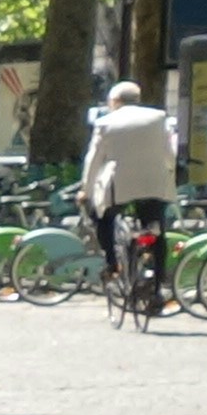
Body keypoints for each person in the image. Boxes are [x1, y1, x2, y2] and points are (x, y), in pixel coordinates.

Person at [78, 79, 181, 312]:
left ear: (115, 101)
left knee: (103, 217)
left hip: (120, 186)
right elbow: (169, 154)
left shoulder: (105, 123)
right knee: (156, 229)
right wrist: (170, 174)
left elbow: (93, 160)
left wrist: (86, 190)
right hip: (154, 183)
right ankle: (157, 285)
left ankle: (112, 264)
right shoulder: (158, 118)